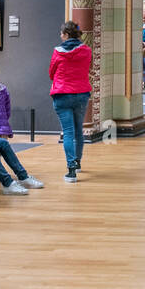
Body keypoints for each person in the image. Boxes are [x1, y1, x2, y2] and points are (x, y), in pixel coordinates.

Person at [49, 21, 92, 181]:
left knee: (67, 132)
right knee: (78, 130)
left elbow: (51, 72)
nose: (60, 36)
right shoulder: (86, 50)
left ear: (66, 35)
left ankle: (71, 169)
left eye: (61, 33)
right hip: (81, 92)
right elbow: (88, 67)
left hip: (62, 94)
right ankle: (78, 162)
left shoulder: (57, 52)